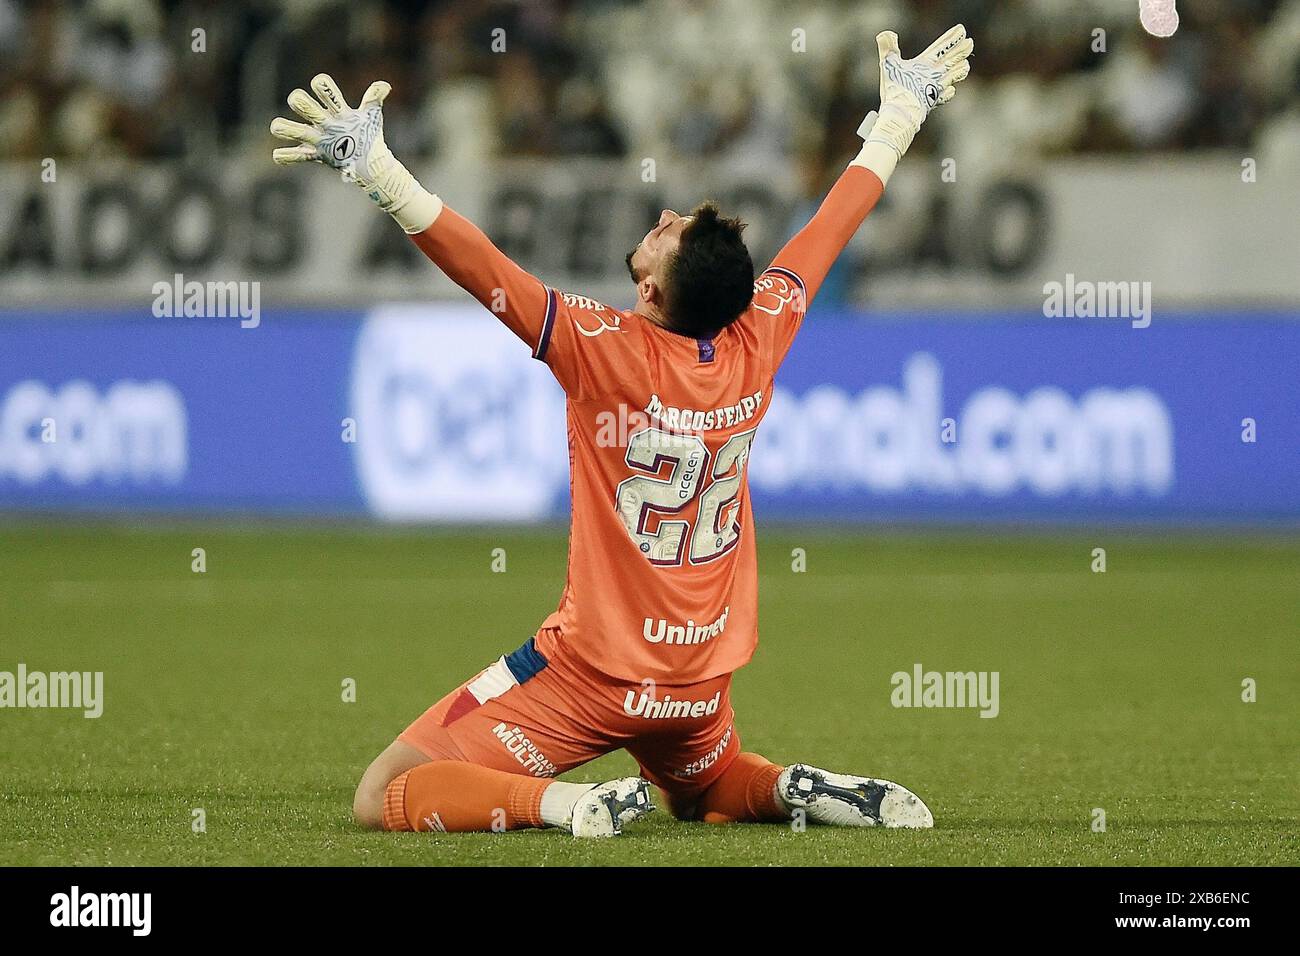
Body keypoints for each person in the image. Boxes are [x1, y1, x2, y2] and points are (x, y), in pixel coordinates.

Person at [271, 24, 973, 838]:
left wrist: (377, 170)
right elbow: (830, 228)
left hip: (591, 674)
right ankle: (788, 789)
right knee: (700, 790)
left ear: (651, 291)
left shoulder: (602, 349)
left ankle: (566, 802)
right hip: (698, 684)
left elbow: (485, 269)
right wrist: (897, 120)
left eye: (669, 233)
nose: (666, 214)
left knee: (387, 790)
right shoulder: (760, 332)